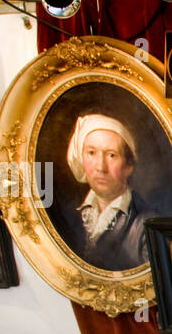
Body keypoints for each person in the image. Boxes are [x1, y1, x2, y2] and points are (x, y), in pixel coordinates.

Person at [56, 113, 154, 271]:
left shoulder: (146, 224)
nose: (100, 167)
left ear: (128, 166)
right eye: (91, 153)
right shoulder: (68, 214)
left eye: (111, 155)